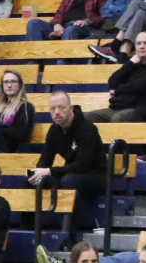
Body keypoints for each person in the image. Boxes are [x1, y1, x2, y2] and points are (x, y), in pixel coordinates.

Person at [29, 93, 106, 235]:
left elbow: (82, 165)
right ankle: (29, 232)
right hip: (71, 174)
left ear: (71, 108)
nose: (56, 112)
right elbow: (46, 158)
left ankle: (69, 234)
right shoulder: (54, 130)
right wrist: (38, 172)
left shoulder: (87, 129)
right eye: (52, 109)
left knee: (69, 180)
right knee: (31, 181)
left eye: (61, 108)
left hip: (96, 177)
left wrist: (49, 171)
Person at [86, 31, 146, 122]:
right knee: (85, 118)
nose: (142, 46)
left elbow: (138, 87)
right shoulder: (132, 65)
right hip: (116, 108)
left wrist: (117, 90)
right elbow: (113, 82)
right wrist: (130, 63)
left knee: (118, 118)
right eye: (138, 43)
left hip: (139, 111)